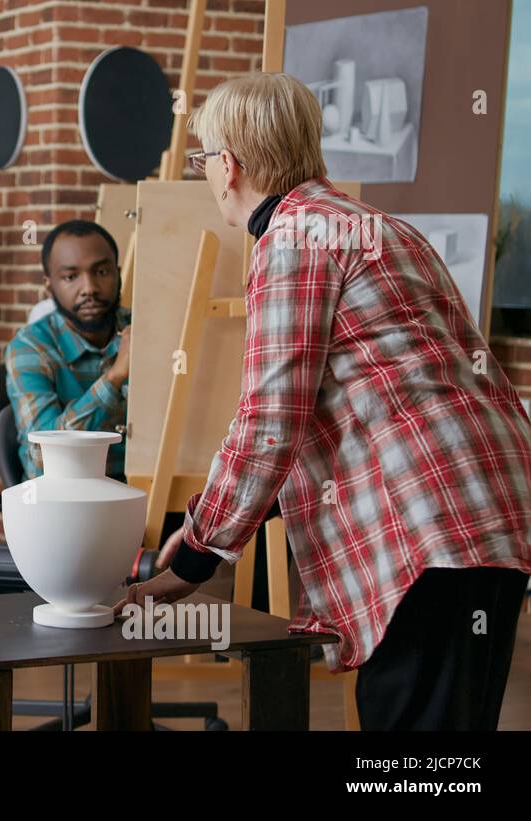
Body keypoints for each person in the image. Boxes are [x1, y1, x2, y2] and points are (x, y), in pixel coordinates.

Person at [120, 72, 531, 730]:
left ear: (228, 167)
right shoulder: (377, 227)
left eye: (203, 160)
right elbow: (384, 391)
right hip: (485, 518)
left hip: (430, 533)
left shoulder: (294, 238)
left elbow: (268, 420)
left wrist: (199, 552)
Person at [5, 220, 131, 480]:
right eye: (71, 277)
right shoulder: (29, 347)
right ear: (49, 286)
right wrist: (114, 378)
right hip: (61, 504)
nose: (89, 289)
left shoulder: (145, 330)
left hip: (147, 494)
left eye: (102, 272)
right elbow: (43, 455)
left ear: (118, 274)